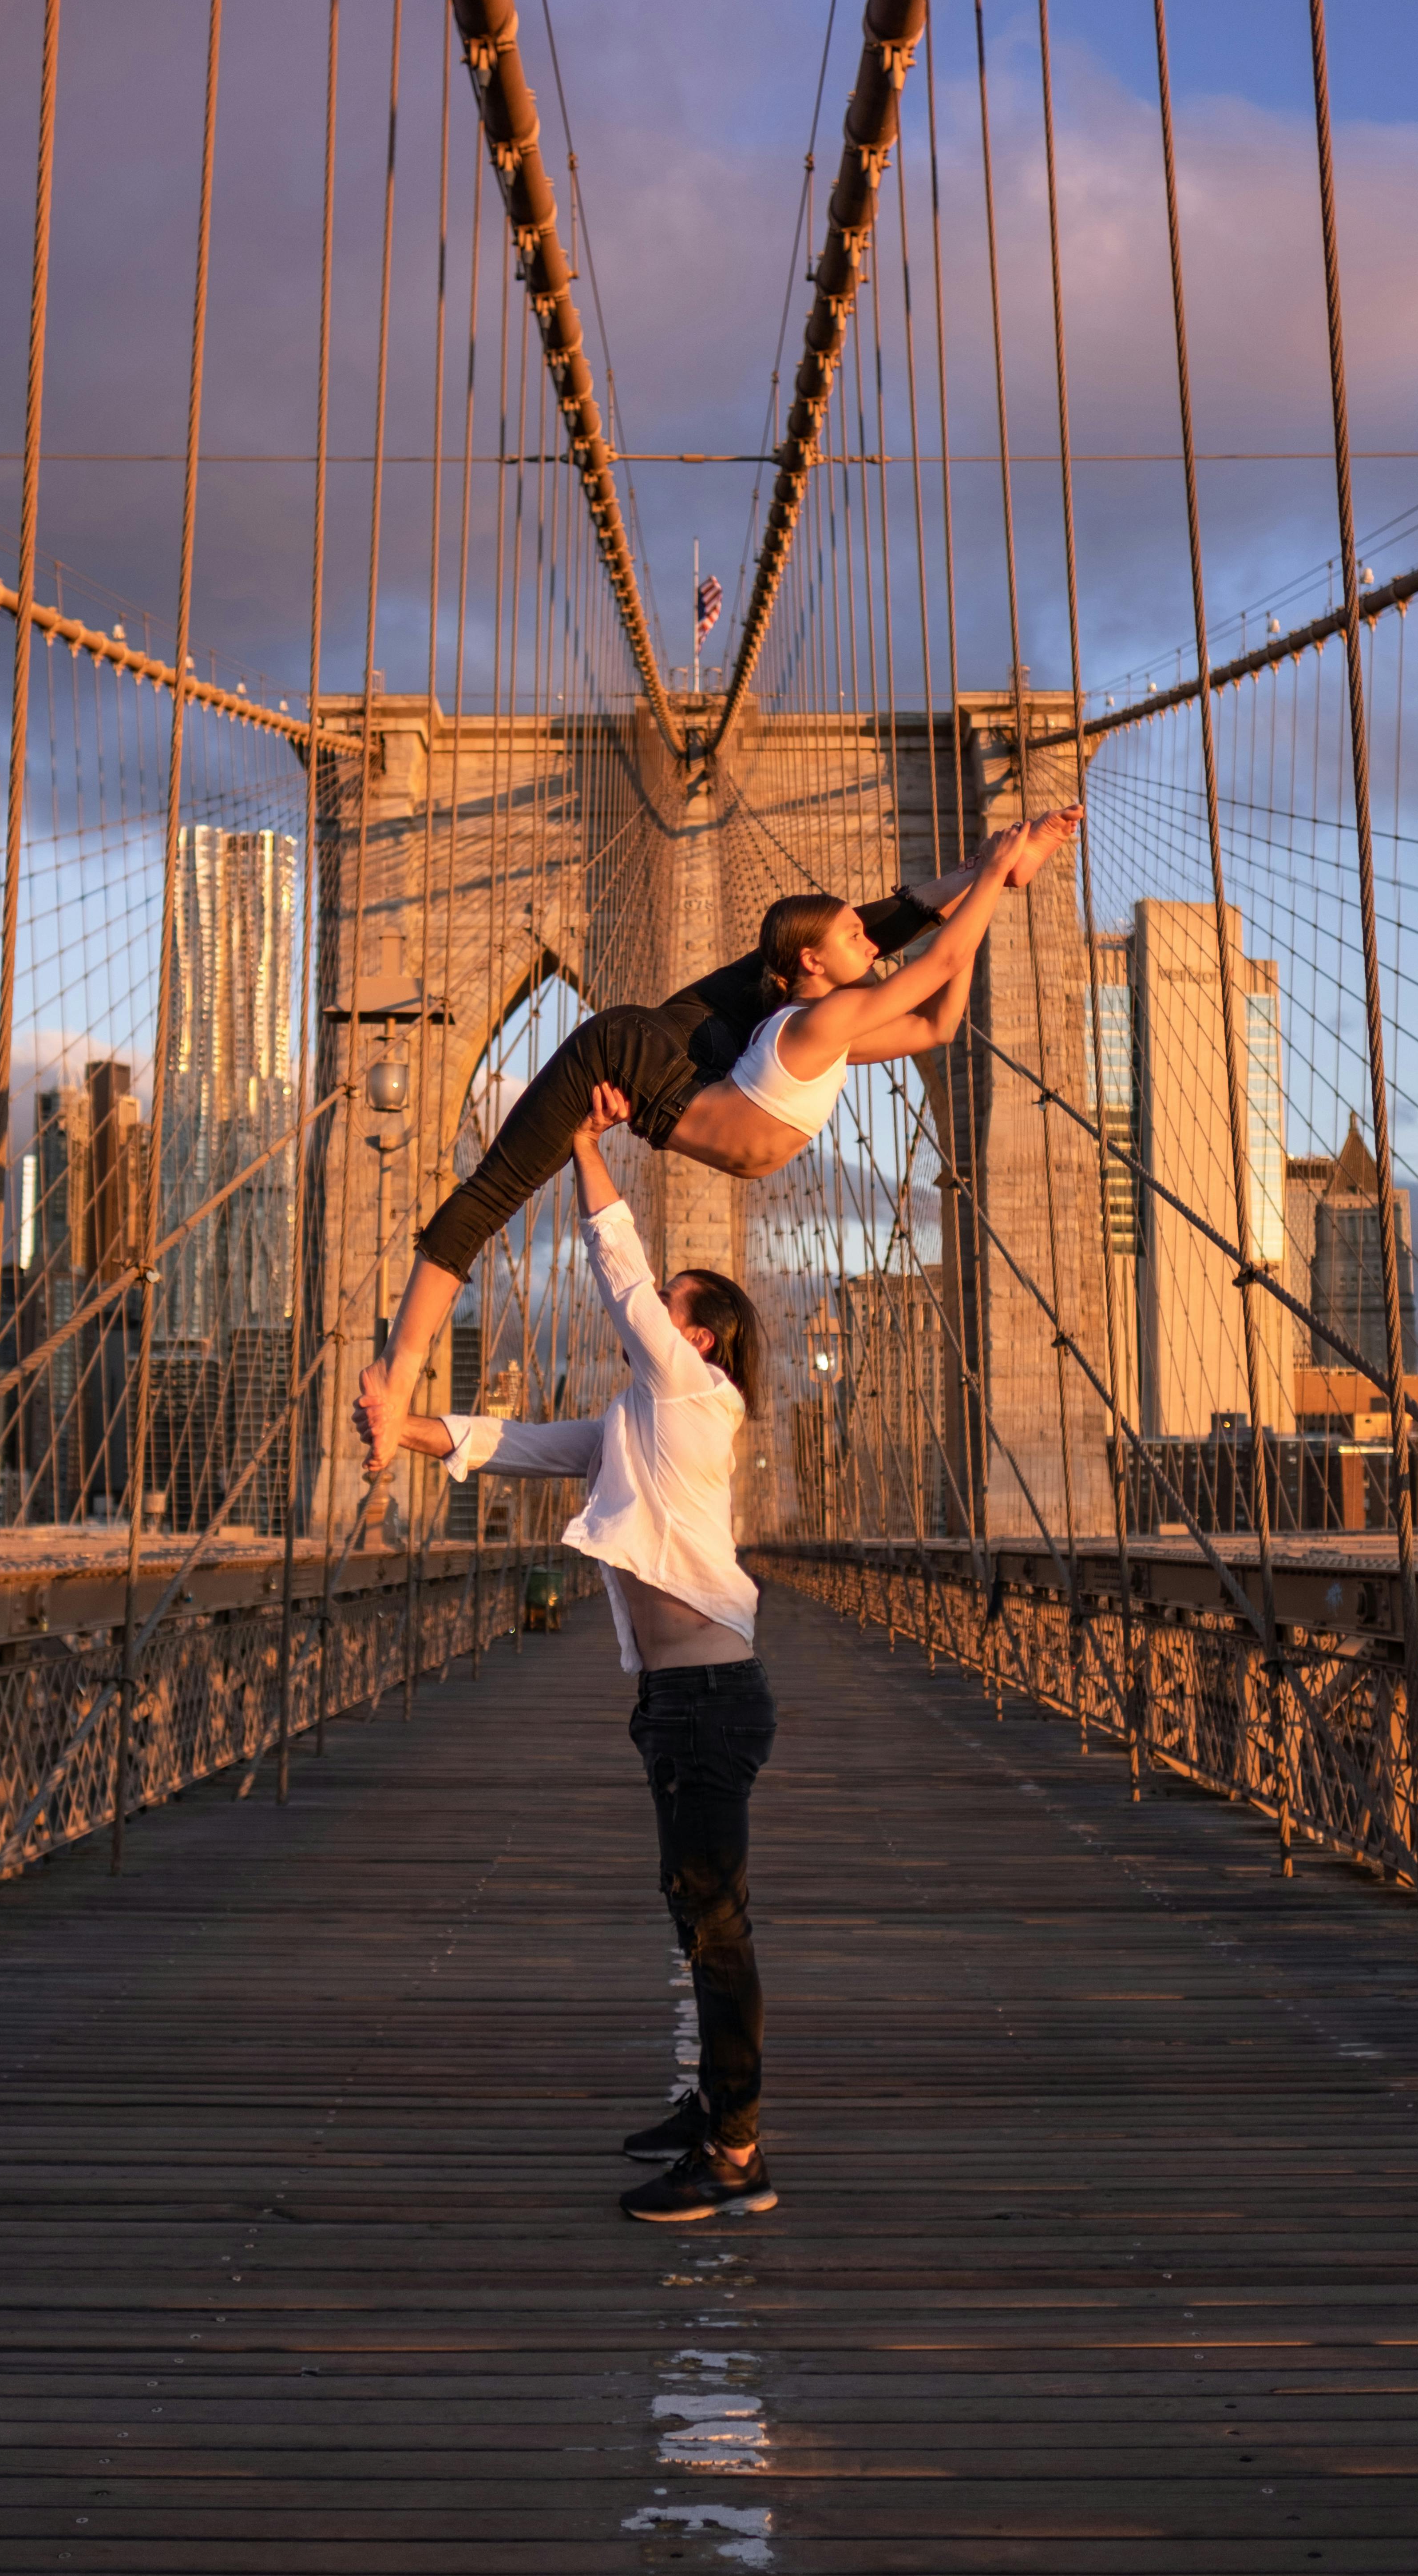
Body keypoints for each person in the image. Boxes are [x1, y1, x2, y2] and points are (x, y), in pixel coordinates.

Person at [357, 805, 1081, 1475]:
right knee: (492, 1191)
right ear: (813, 969)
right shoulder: (818, 1026)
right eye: (853, 938)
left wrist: (991, 886)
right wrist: (990, 878)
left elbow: (935, 1026)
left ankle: (982, 865)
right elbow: (938, 967)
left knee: (796, 949)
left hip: (702, 1053)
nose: (870, 940)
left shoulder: (822, 1028)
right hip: (630, 1055)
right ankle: (394, 1374)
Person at [384, 1082, 782, 2225]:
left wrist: (579, 1143)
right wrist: (410, 1425)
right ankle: (717, 2113)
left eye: (675, 1305)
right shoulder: (633, 1424)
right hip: (677, 1701)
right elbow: (524, 1447)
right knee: (695, 1912)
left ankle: (739, 2155)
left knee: (716, 1922)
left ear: (698, 1337)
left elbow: (617, 1276)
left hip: (708, 1696)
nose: (656, 1310)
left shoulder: (695, 1397)